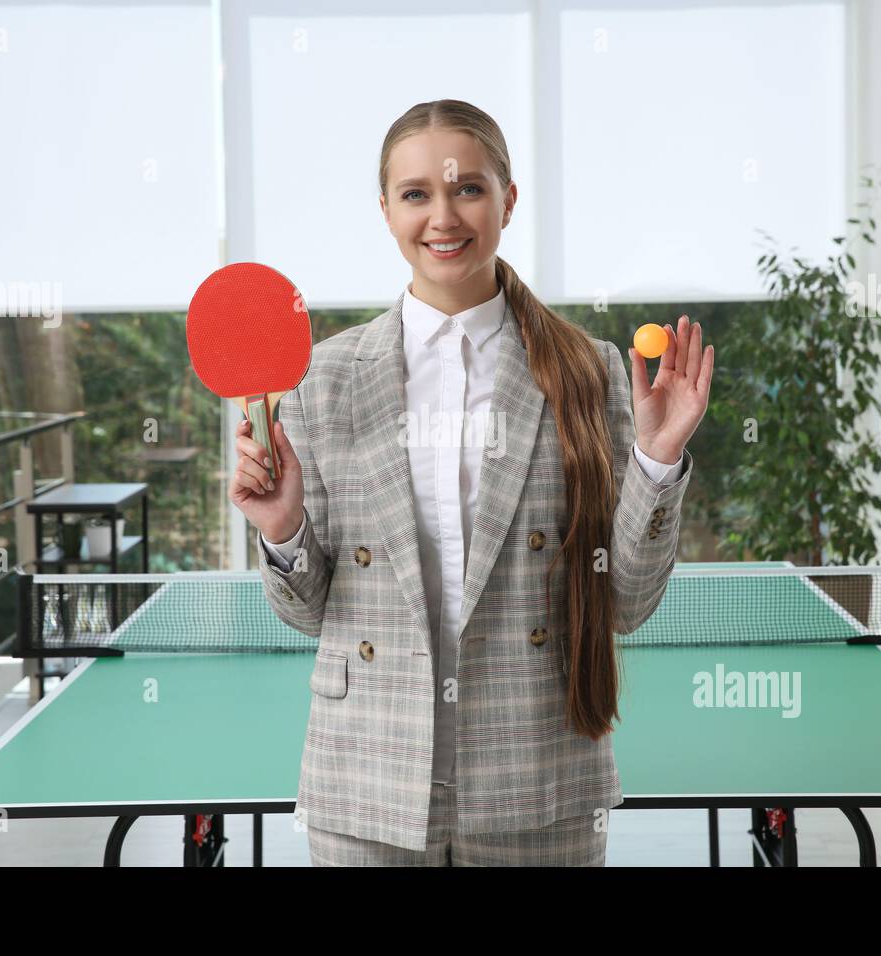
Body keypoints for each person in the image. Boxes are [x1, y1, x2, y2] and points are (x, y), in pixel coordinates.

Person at [228, 99, 712, 866]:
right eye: (416, 193)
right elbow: (305, 612)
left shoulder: (591, 370)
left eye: (469, 189)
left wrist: (656, 460)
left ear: (508, 200)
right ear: (385, 210)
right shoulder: (323, 377)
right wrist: (283, 528)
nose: (442, 216)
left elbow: (626, 605)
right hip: (367, 778)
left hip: (539, 777)